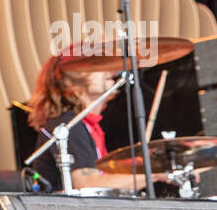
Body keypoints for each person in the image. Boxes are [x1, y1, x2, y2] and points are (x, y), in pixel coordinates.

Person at [25, 54, 164, 193]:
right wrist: (155, 173)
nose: (108, 70)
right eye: (96, 66)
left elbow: (102, 175)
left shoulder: (89, 125)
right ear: (70, 82)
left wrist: (140, 161)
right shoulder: (67, 124)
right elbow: (87, 183)